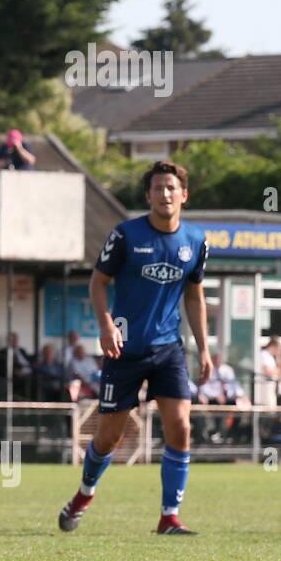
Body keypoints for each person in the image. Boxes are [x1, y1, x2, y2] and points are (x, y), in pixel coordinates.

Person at [58, 161, 211, 536]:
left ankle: (169, 517)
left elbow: (194, 296)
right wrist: (106, 325)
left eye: (172, 188)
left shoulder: (196, 242)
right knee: (109, 435)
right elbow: (98, 283)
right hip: (123, 351)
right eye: (158, 188)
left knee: (180, 427)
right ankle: (84, 494)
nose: (165, 194)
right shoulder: (126, 235)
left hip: (168, 349)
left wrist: (204, 349)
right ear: (148, 196)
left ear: (184, 195)